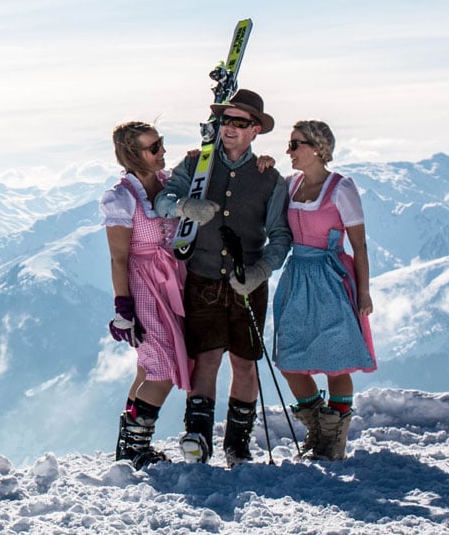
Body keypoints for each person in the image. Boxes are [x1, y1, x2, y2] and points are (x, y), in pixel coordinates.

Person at [154, 89, 291, 467]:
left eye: (239, 122)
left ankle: (237, 444)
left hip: (248, 282)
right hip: (202, 276)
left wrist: (262, 270)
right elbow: (163, 200)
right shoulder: (197, 164)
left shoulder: (271, 179)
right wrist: (183, 205)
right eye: (225, 120)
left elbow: (280, 235)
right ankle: (197, 436)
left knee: (245, 362)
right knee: (207, 358)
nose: (229, 128)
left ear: (256, 130)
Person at [273, 120, 376, 461]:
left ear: (317, 148)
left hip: (331, 278)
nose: (289, 151)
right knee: (289, 359)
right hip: (297, 276)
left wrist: (363, 292)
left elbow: (358, 245)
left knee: (336, 360)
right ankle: (318, 426)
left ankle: (333, 441)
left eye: (295, 144)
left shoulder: (340, 188)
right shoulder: (290, 185)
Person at [100, 121, 192, 468]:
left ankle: (129, 443)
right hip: (145, 285)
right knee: (163, 365)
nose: (162, 152)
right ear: (132, 155)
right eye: (154, 148)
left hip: (172, 280)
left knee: (148, 365)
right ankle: (135, 443)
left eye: (161, 144)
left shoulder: (167, 184)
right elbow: (119, 256)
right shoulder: (121, 197)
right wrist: (123, 307)